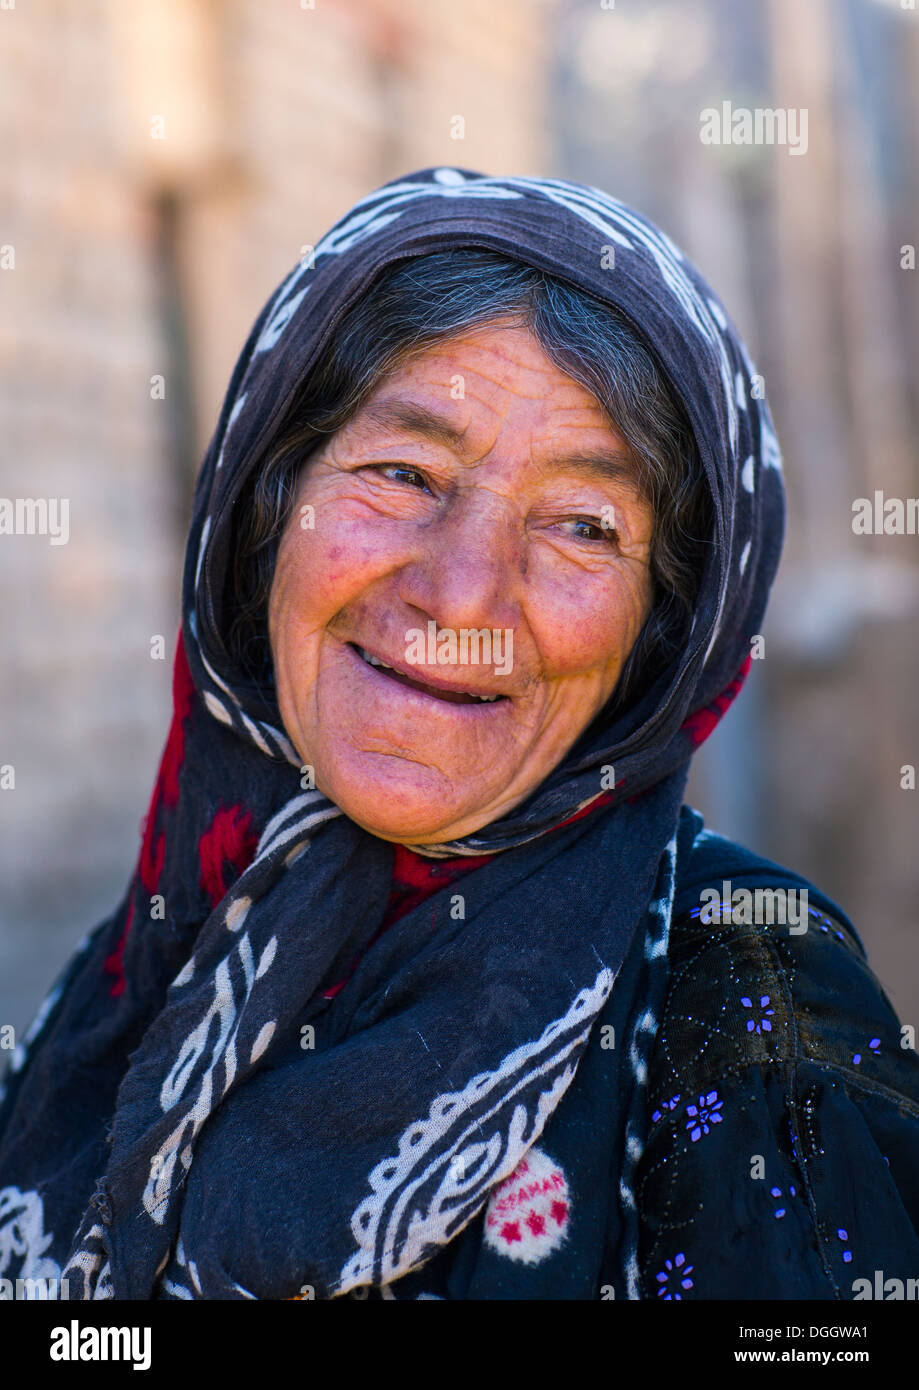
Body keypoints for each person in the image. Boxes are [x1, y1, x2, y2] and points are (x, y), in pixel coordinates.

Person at [1, 167, 917, 1302]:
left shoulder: (752, 1010)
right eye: (402, 472)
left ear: (664, 632)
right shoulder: (163, 947)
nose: (464, 595)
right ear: (264, 511)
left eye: (583, 526)